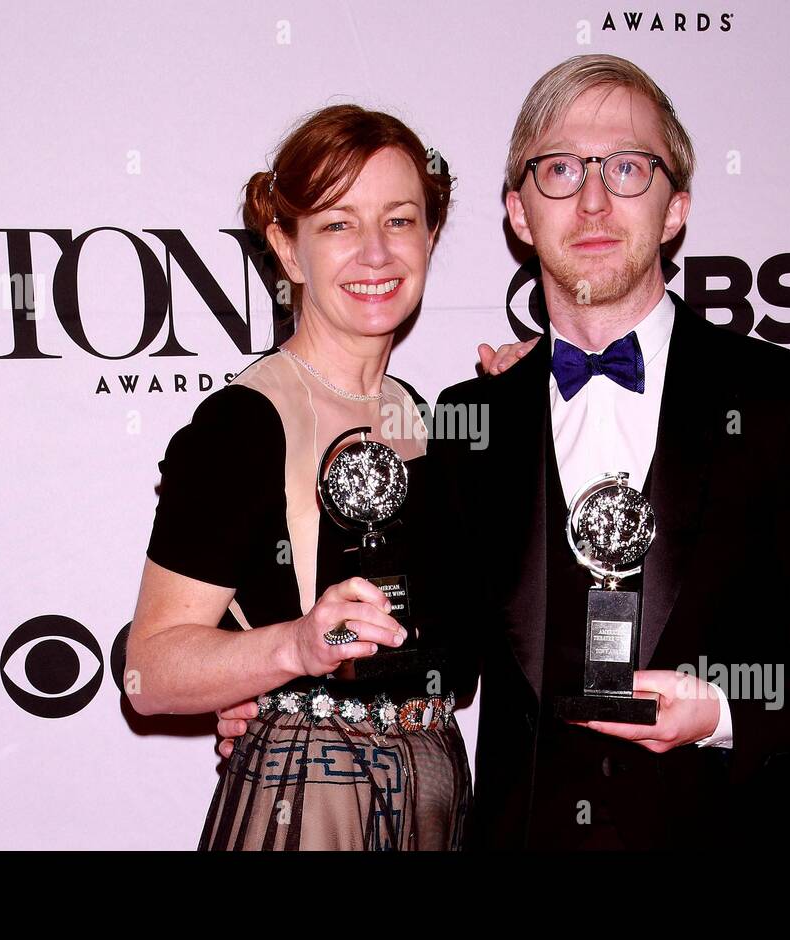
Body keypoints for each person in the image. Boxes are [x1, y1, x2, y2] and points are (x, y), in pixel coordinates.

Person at [222, 55, 790, 850]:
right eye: (558, 170)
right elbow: (444, 646)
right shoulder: (469, 419)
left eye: (625, 167)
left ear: (675, 206)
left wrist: (721, 710)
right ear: (519, 212)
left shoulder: (787, 400)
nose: (591, 199)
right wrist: (286, 696)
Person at [127, 103, 528, 851]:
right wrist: (294, 650)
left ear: (431, 235)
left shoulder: (429, 419)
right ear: (287, 247)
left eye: (400, 221)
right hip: (309, 803)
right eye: (339, 225)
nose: (376, 253)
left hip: (438, 793)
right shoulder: (243, 425)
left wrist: (538, 396)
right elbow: (149, 672)